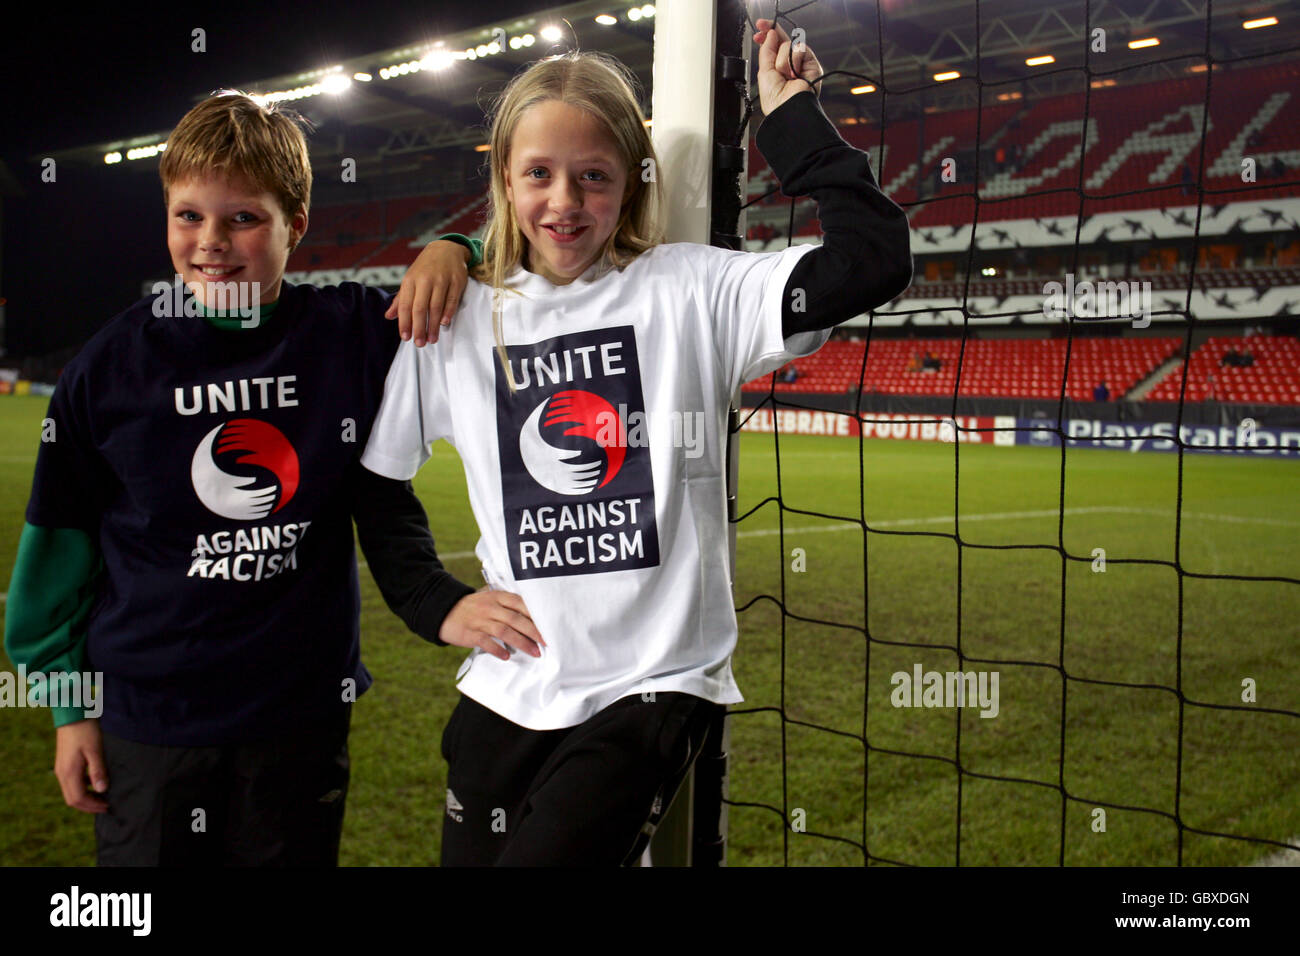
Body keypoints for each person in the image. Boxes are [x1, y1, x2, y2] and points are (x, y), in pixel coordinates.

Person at [371, 22, 911, 866]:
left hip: (649, 688)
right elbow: (377, 481)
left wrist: (793, 119)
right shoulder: (458, 316)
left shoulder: (692, 290)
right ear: (505, 182)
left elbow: (873, 258)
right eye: (539, 175)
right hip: (507, 687)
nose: (565, 201)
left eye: (594, 176)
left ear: (631, 182)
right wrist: (433, 604)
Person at [3, 92, 507, 866]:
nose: (212, 242)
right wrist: (70, 710)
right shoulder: (108, 369)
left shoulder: (352, 336)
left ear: (295, 225)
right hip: (148, 721)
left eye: (243, 218)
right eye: (188, 216)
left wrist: (454, 246)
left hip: (297, 718)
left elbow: (531, 233)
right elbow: (55, 559)